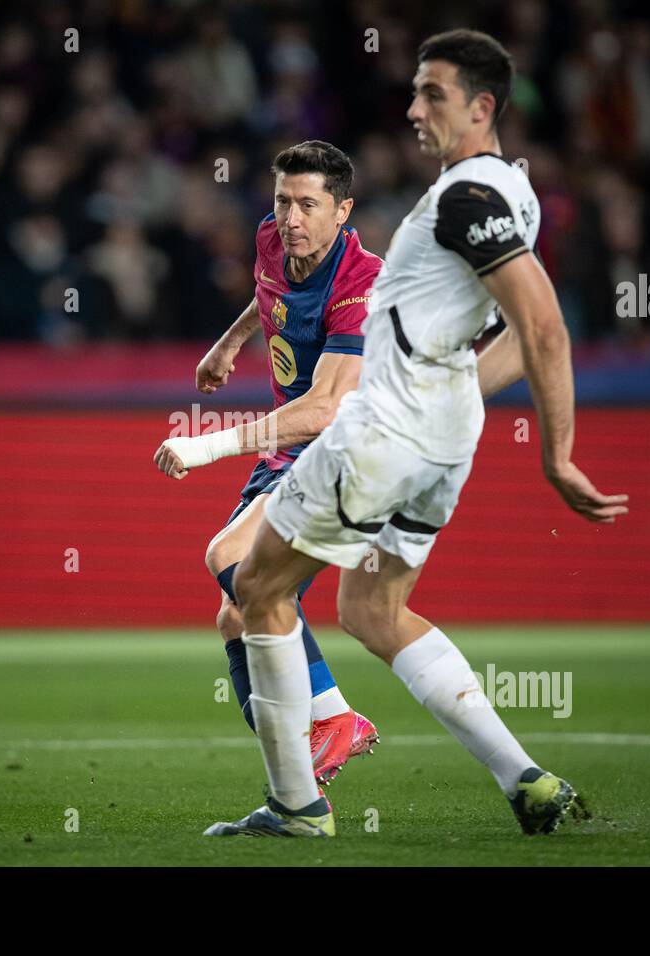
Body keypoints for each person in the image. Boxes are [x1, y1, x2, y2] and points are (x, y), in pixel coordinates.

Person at [205, 30, 629, 838]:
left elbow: (543, 329)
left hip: (380, 432)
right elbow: (511, 330)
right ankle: (527, 779)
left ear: (482, 107)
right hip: (442, 438)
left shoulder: (466, 202)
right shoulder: (512, 195)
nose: (413, 109)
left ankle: (301, 801)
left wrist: (558, 455)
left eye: (431, 94)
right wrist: (451, 391)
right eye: (414, 92)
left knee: (249, 586)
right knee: (371, 608)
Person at [153, 141, 383, 784]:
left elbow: (326, 408)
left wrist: (206, 445)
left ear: (343, 210)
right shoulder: (272, 241)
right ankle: (299, 792)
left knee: (228, 557)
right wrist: (228, 345)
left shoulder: (361, 279)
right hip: (291, 452)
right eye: (283, 201)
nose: (291, 218)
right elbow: (268, 292)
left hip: (347, 451)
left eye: (309, 205)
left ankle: (334, 715)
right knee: (236, 616)